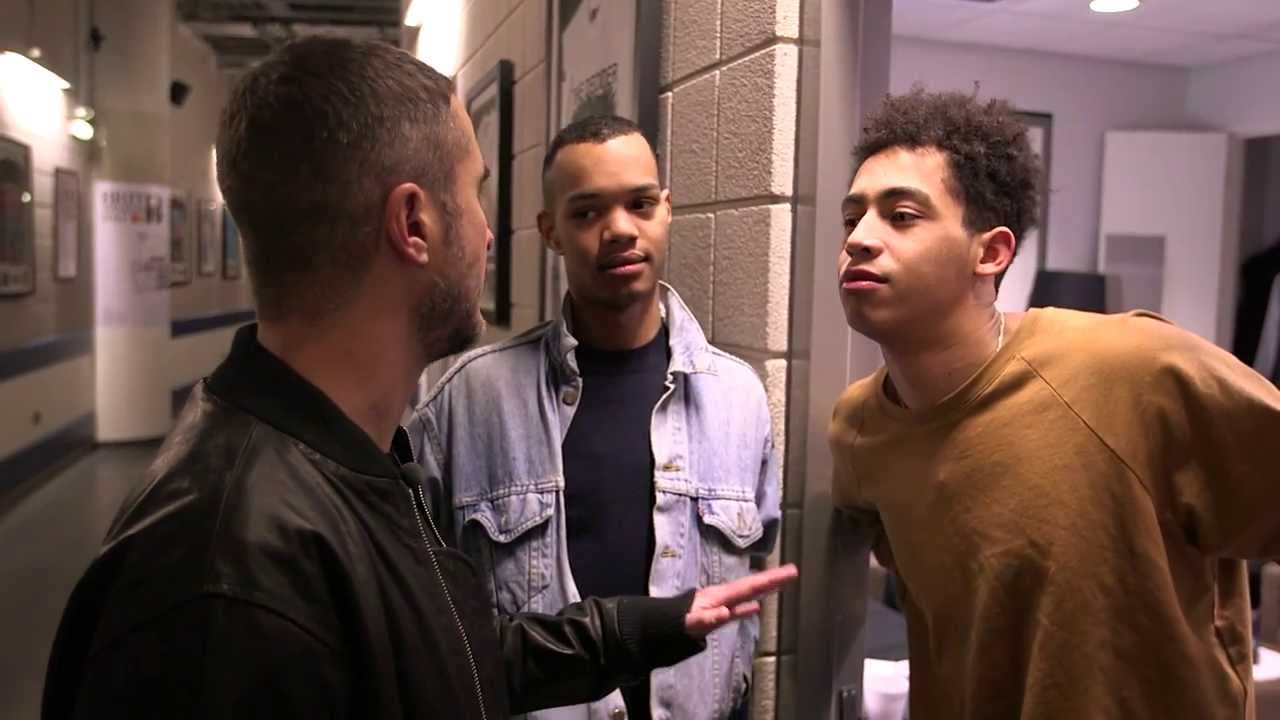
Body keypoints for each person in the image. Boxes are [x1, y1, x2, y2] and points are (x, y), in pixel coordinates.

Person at [41, 38, 796, 720]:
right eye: (475, 192)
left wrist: (641, 627)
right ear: (413, 224)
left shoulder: (346, 469)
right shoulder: (225, 572)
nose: (488, 232)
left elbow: (446, 661)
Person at [828, 88, 1280, 719]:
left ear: (991, 253)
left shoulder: (1132, 370)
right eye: (853, 219)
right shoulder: (858, 429)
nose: (859, 239)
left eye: (901, 216)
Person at [410, 115, 780, 720]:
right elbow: (425, 616)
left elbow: (744, 609)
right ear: (550, 231)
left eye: (640, 204)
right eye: (587, 212)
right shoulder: (468, 402)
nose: (620, 230)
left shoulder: (738, 399)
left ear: (667, 210)